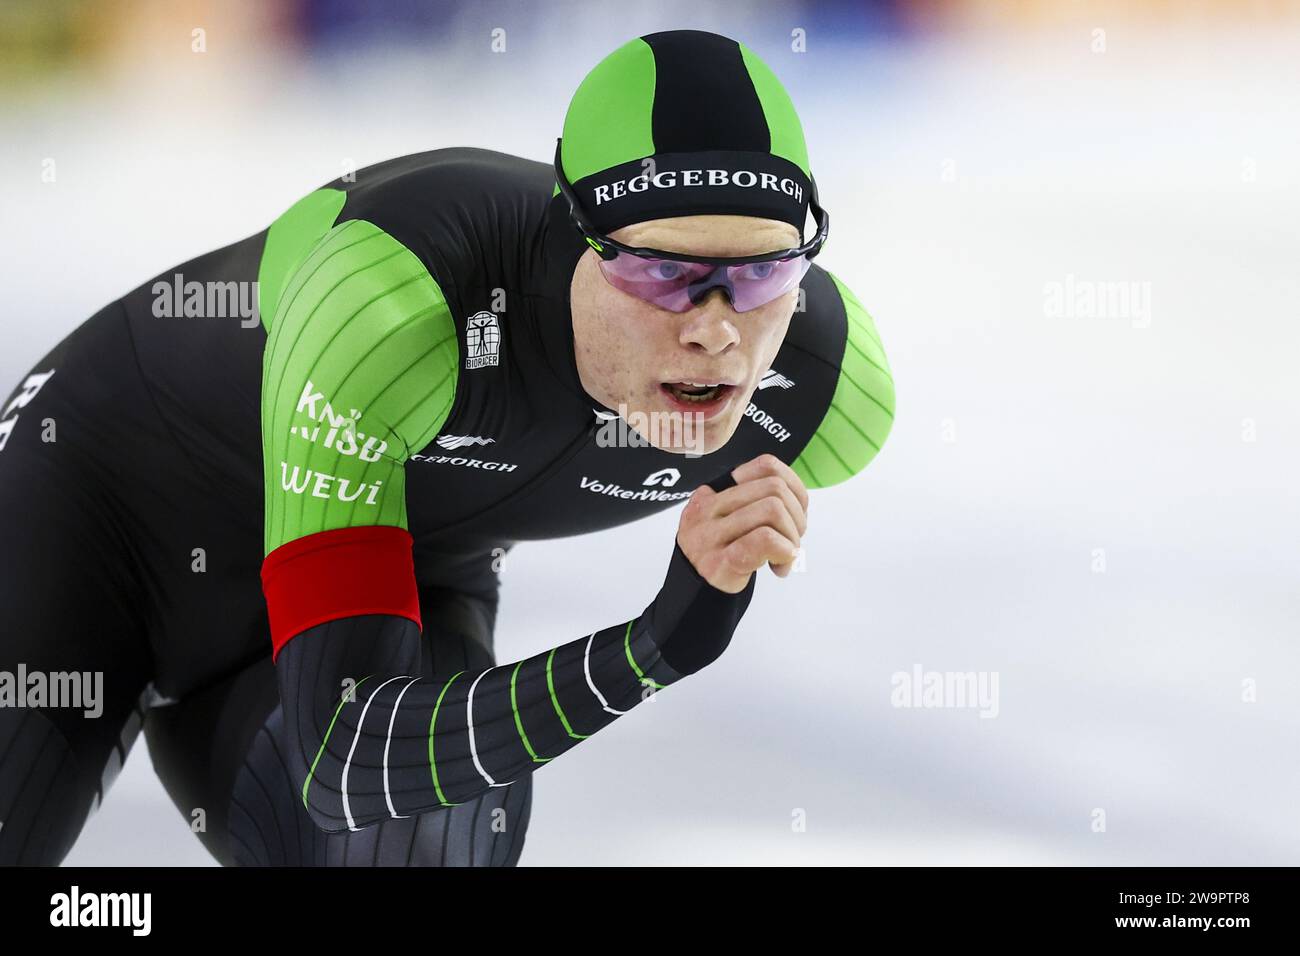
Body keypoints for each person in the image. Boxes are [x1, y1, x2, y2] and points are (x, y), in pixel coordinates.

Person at [0, 29, 894, 866]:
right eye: (663, 273)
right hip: (100, 510)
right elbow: (345, 761)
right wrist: (654, 645)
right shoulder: (399, 302)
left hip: (392, 573)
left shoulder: (829, 393)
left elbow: (361, 795)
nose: (718, 331)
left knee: (432, 831)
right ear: (570, 245)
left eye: (764, 272)